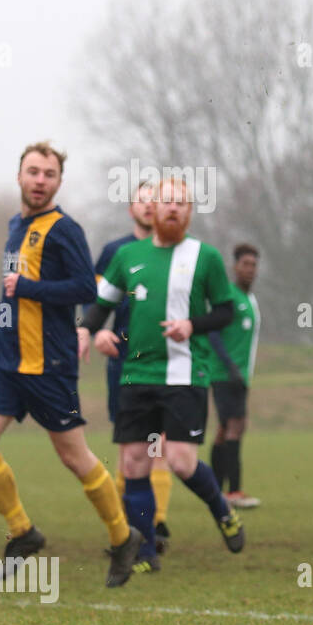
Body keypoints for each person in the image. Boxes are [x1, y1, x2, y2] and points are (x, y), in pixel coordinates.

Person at [0, 141, 143, 588]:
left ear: (58, 182)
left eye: (48, 174)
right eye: (33, 172)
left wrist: (26, 287)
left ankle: (124, 538)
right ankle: (24, 533)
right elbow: (13, 288)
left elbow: (85, 288)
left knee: (74, 457)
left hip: (51, 364)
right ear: (19, 176)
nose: (40, 180)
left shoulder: (65, 230)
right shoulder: (13, 226)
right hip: (5, 363)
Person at [81, 177, 245, 567]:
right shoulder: (126, 256)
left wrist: (191, 325)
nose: (172, 208)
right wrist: (89, 331)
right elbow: (101, 305)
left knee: (181, 461)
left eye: (181, 203)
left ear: (189, 212)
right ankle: (147, 550)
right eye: (166, 202)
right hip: (135, 375)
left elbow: (225, 311)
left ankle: (221, 509)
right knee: (134, 463)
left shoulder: (205, 257)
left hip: (185, 373)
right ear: (150, 210)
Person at [83, 180, 177, 557]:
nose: (149, 205)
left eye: (155, 199)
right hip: (124, 360)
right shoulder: (113, 251)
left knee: (162, 444)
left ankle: (156, 523)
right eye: (142, 199)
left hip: (164, 359)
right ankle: (130, 528)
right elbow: (96, 302)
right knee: (130, 446)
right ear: (131, 209)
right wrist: (100, 332)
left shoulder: (177, 250)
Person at [208, 243, 261, 509]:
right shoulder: (227, 295)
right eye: (245, 264)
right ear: (234, 266)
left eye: (254, 265)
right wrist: (229, 366)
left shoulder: (249, 299)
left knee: (223, 428)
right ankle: (234, 491)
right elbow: (213, 331)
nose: (250, 270)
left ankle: (214, 490)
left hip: (239, 375)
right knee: (236, 425)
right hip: (226, 373)